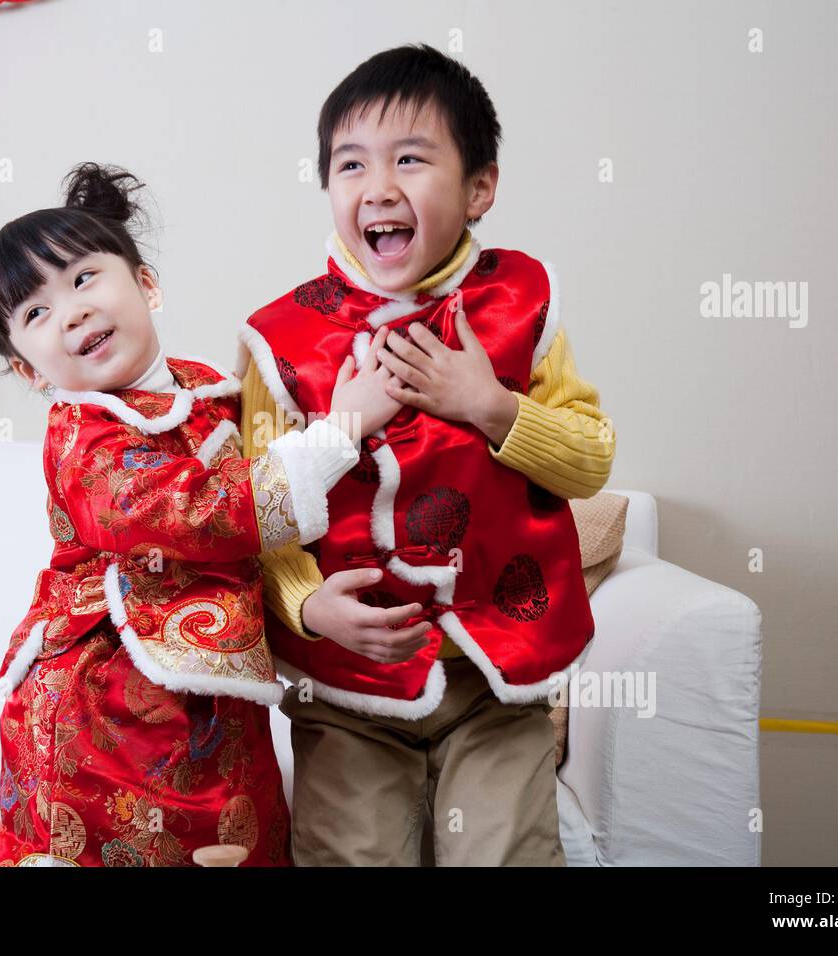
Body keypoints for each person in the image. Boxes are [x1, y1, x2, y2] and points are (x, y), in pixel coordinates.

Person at [0, 162, 401, 866]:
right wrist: (337, 435)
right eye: (36, 313)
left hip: (217, 689)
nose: (73, 312)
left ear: (146, 284)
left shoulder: (210, 387)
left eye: (84, 279)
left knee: (237, 834)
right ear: (29, 370)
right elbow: (196, 511)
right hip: (101, 696)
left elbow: (268, 505)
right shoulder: (81, 439)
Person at [237, 44, 618, 865]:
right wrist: (307, 607)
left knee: (505, 853)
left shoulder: (523, 306)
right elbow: (257, 511)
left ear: (479, 187)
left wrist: (491, 406)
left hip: (495, 681)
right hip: (346, 689)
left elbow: (590, 461)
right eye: (351, 165)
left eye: (411, 158)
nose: (378, 187)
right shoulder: (280, 341)